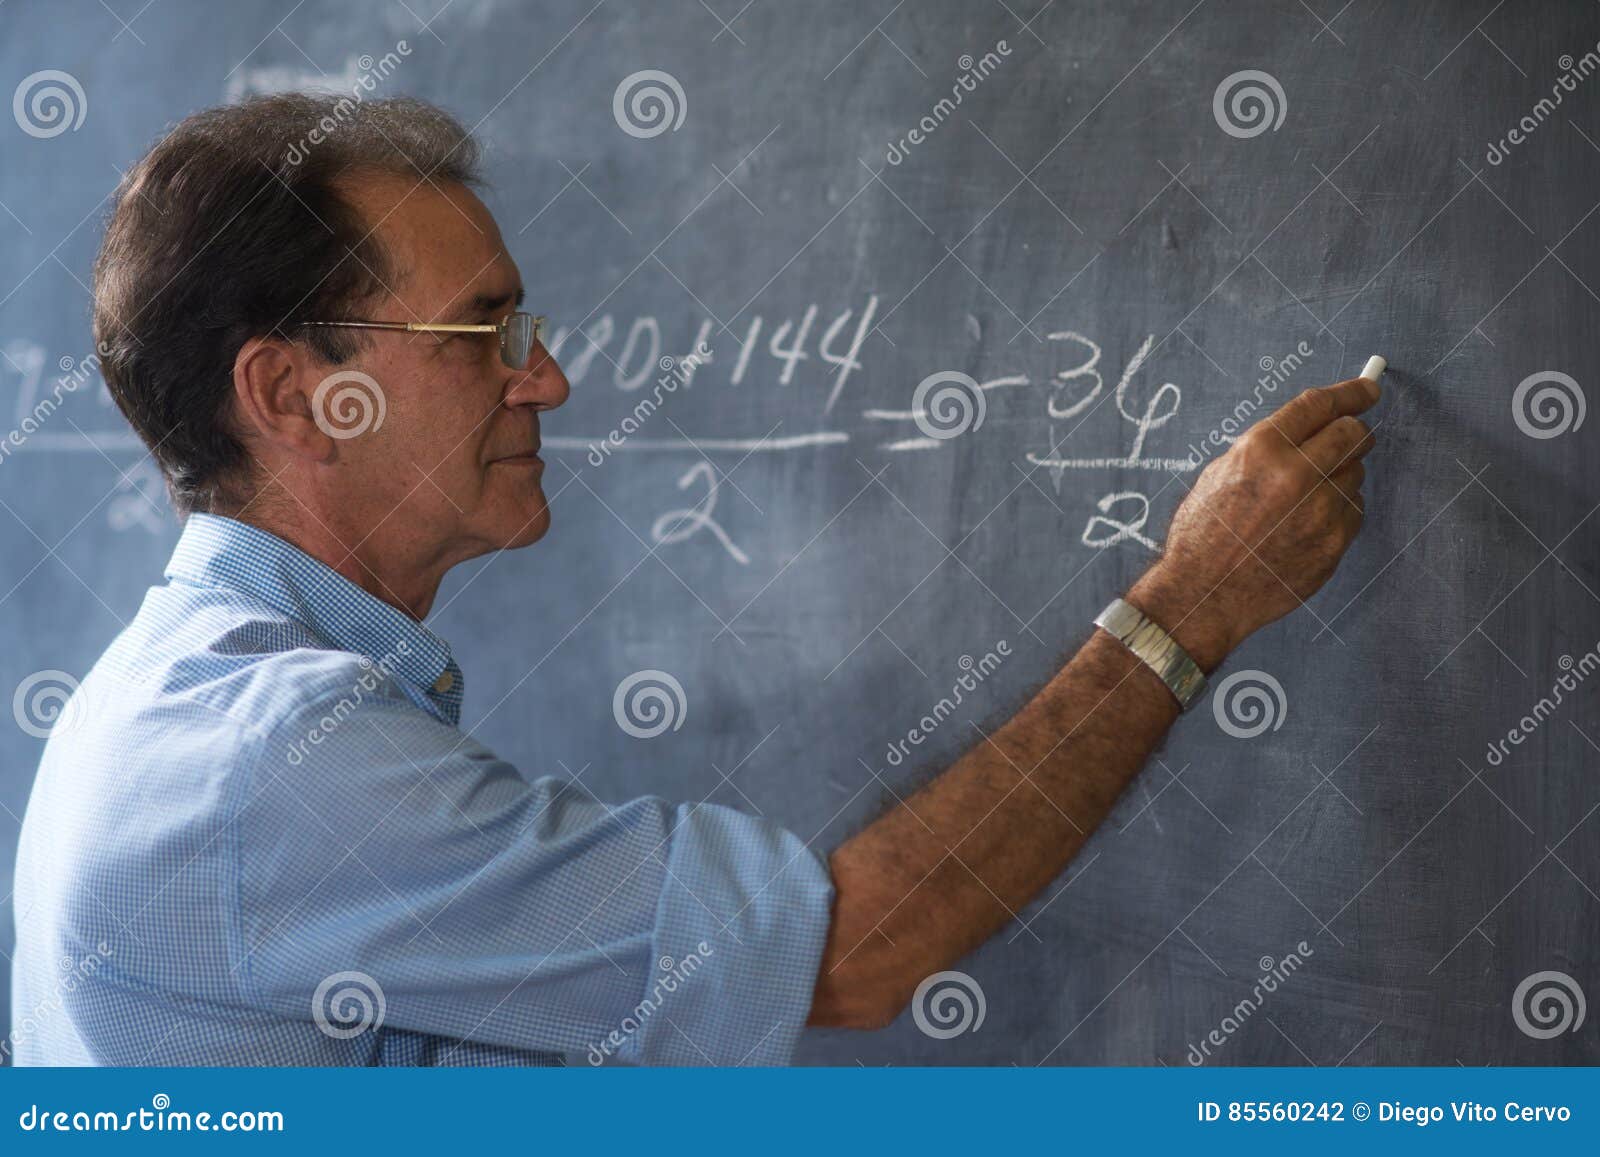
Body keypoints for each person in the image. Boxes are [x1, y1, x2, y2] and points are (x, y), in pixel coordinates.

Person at [10, 95, 1375, 1066]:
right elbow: (851, 951)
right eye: (480, 332)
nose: (546, 378)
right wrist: (1190, 604)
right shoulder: (271, 765)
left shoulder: (178, 703)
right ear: (293, 396)